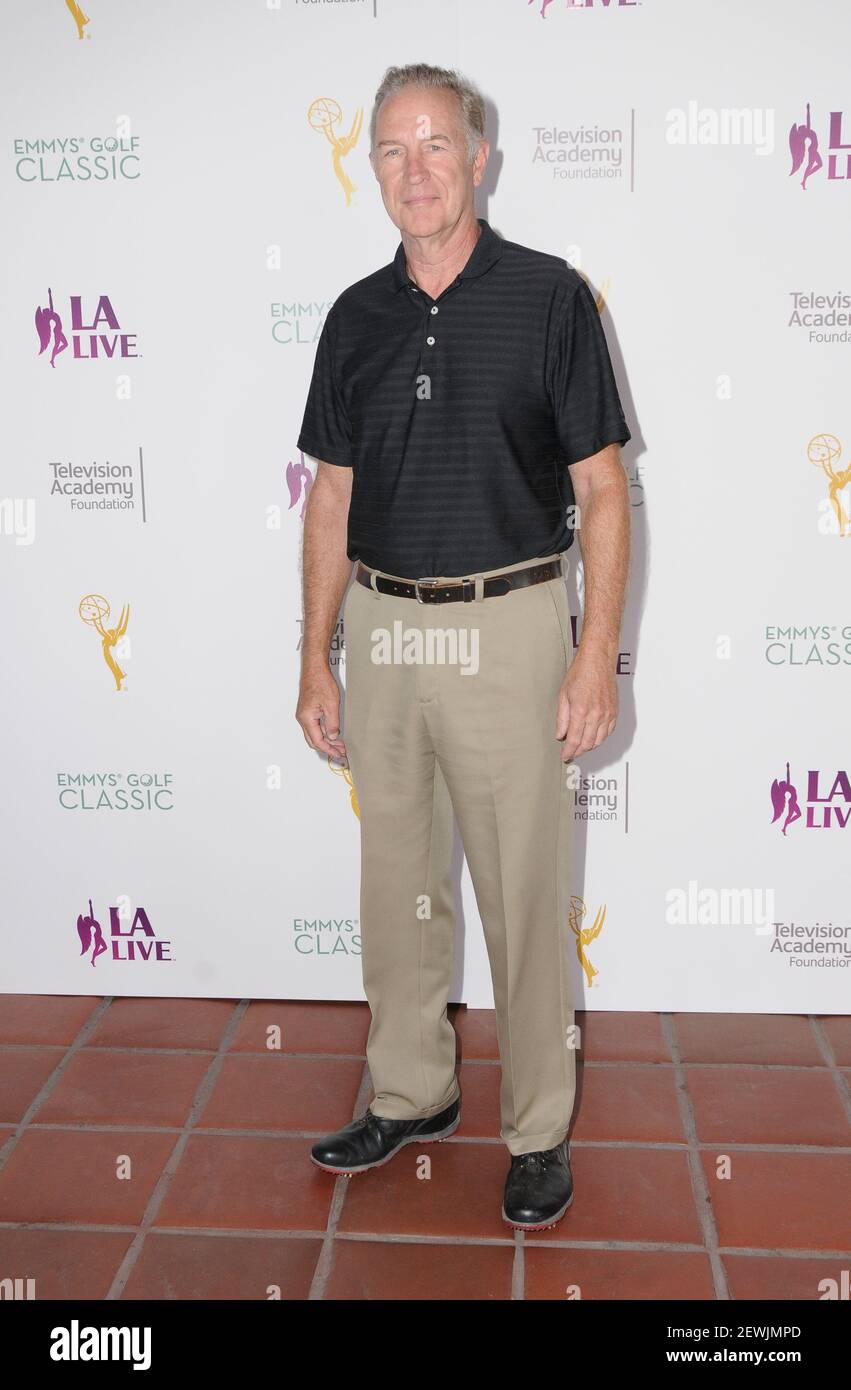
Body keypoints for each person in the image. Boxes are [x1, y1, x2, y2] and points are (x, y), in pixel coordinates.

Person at [295, 62, 632, 1231]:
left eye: (436, 145)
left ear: (479, 157)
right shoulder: (353, 316)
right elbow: (330, 498)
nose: (415, 170)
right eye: (392, 150)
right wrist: (313, 655)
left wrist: (593, 657)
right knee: (396, 885)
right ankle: (410, 1090)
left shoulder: (547, 299)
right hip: (382, 628)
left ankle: (536, 1129)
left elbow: (601, 491)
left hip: (511, 623)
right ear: (370, 168)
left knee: (523, 892)